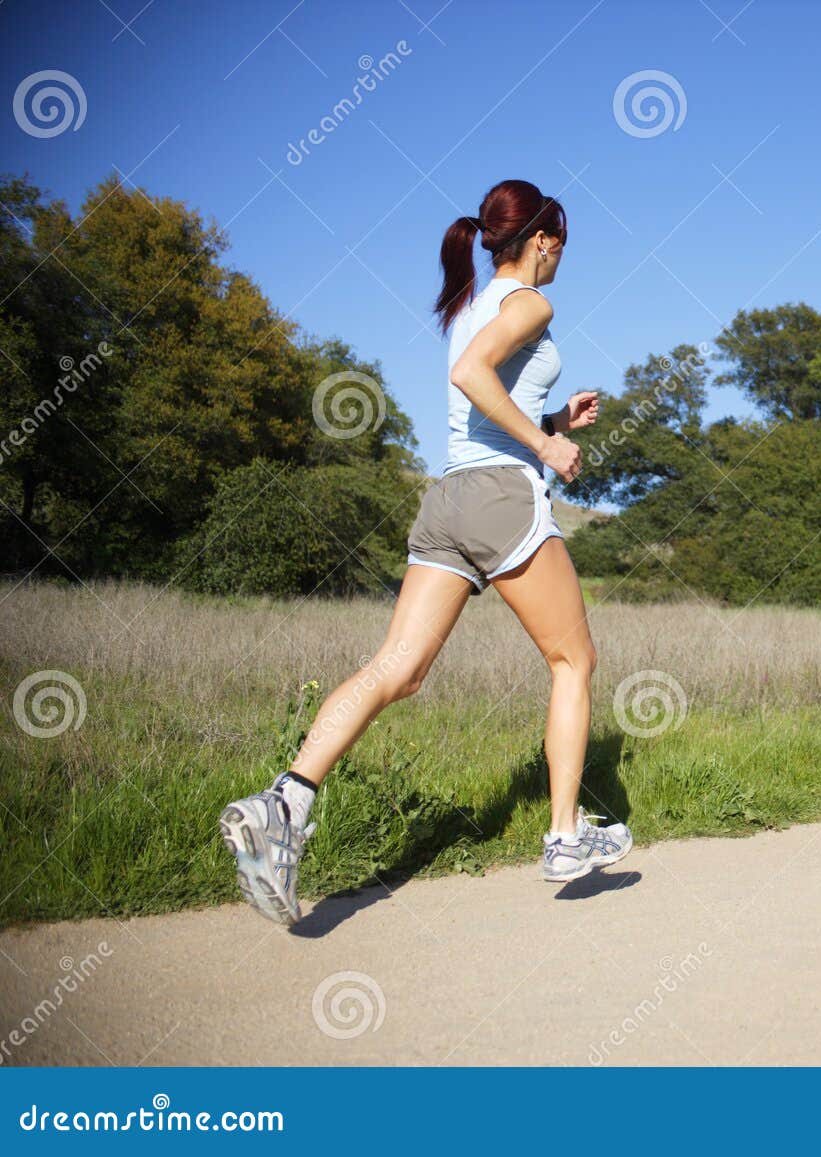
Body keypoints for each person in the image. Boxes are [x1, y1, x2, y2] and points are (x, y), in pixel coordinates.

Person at [219, 179, 630, 927]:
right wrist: (547, 443)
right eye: (563, 241)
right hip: (503, 498)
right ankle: (566, 837)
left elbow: (477, 399)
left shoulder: (470, 304)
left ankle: (284, 801)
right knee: (575, 662)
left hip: (448, 501)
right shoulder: (530, 303)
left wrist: (550, 412)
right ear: (543, 239)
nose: (564, 256)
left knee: (396, 670)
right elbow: (470, 377)